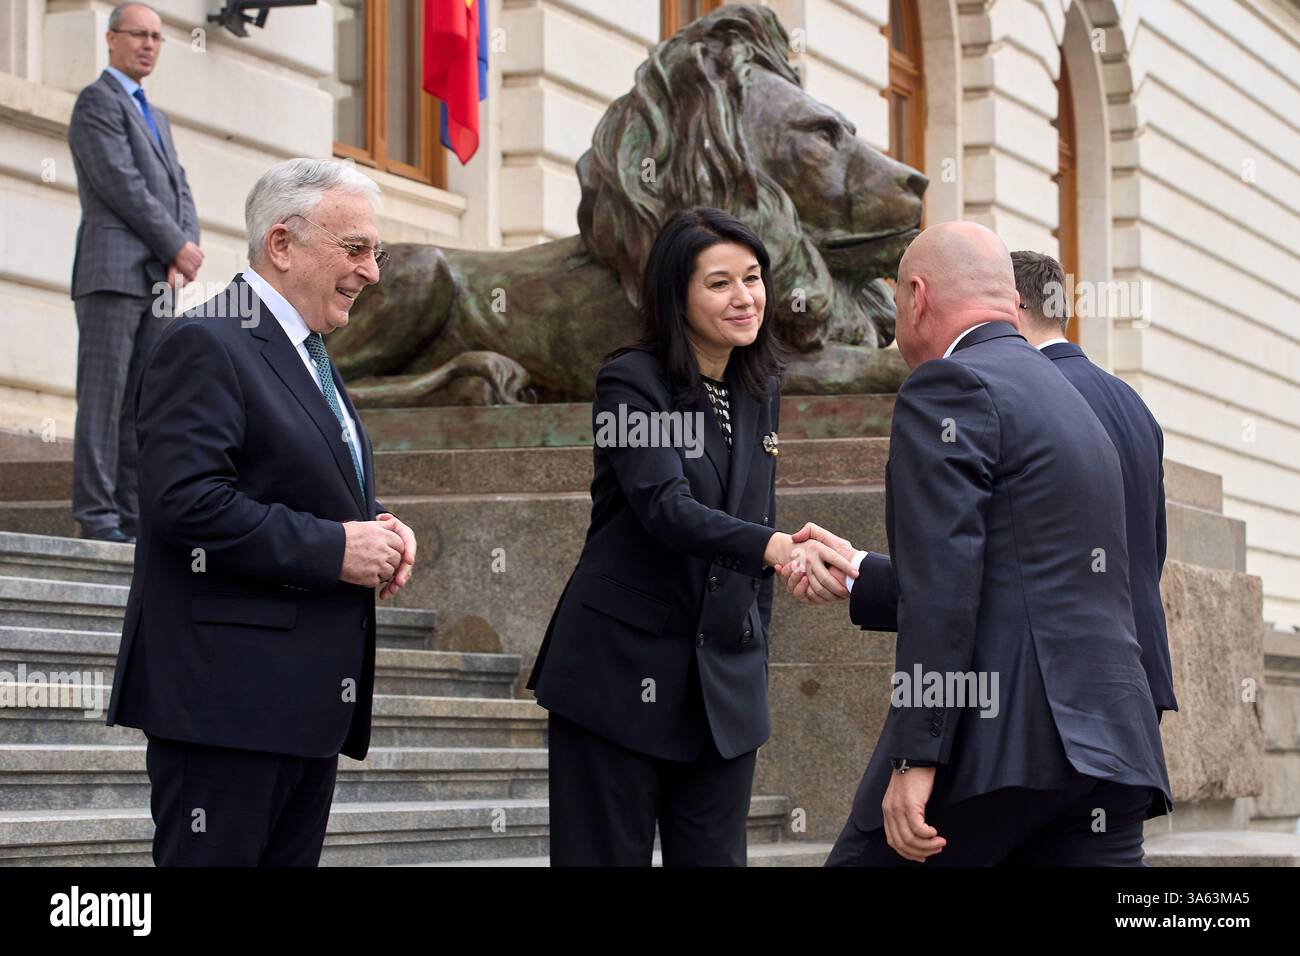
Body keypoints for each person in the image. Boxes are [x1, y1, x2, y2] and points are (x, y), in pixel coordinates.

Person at [781, 222, 1171, 866]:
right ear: (1010, 301)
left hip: (1005, 748)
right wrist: (858, 570)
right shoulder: (1077, 395)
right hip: (1114, 748)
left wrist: (916, 755)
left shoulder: (948, 385)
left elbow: (944, 591)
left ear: (917, 296)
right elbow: (1029, 573)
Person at [106, 158, 417, 866]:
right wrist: (336, 548)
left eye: (377, 253)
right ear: (282, 244)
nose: (372, 272)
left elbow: (295, 479)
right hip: (227, 706)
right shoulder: (206, 339)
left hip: (299, 707)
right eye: (356, 248)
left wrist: (379, 524)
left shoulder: (308, 351)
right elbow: (187, 503)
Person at [526, 206, 855, 866]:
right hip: (618, 677)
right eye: (719, 283)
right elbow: (665, 508)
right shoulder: (631, 382)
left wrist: (756, 654)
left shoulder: (760, 388)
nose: (745, 297)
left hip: (723, 692)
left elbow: (754, 515)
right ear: (677, 297)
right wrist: (775, 548)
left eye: (753, 278)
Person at [1011, 250, 1177, 721]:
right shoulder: (1132, 403)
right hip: (1138, 665)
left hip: (1065, 679)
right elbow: (1153, 544)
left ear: (1014, 304)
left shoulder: (1029, 392)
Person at [67, 2, 202, 543]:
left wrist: (187, 245)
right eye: (138, 34)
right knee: (102, 399)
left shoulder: (157, 116)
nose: (148, 45)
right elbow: (121, 184)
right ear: (111, 39)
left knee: (144, 402)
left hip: (160, 279)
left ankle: (131, 514)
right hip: (112, 274)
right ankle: (96, 514)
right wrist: (176, 245)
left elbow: (179, 188)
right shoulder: (96, 102)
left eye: (156, 37)